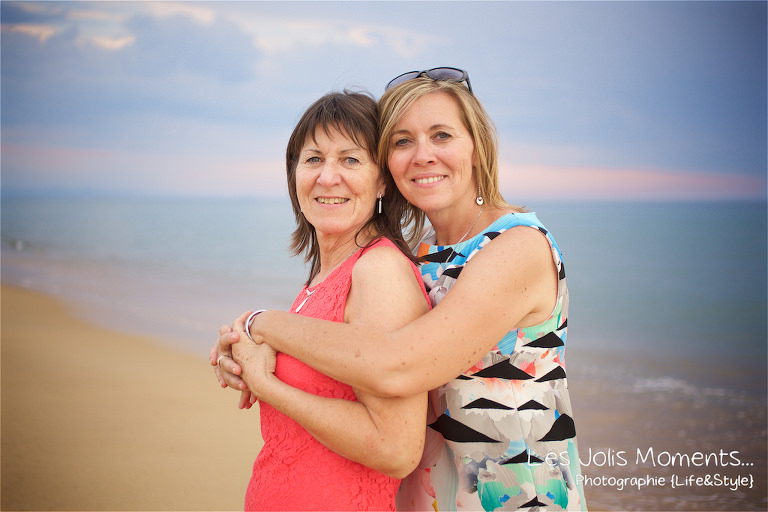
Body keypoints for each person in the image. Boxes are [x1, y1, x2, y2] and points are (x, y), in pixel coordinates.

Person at [214, 68, 587, 511]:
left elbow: (396, 364)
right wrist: (246, 348)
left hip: (513, 495)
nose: (422, 155)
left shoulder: (518, 247)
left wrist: (264, 323)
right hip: (433, 496)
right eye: (403, 141)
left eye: (442, 135)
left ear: (477, 146)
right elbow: (355, 353)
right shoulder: (425, 255)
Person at [218, 90, 432, 511]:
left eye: (350, 160)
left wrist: (267, 385)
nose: (327, 177)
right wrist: (244, 343)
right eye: (314, 159)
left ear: (382, 181)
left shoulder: (378, 272)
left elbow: (395, 449)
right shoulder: (326, 275)